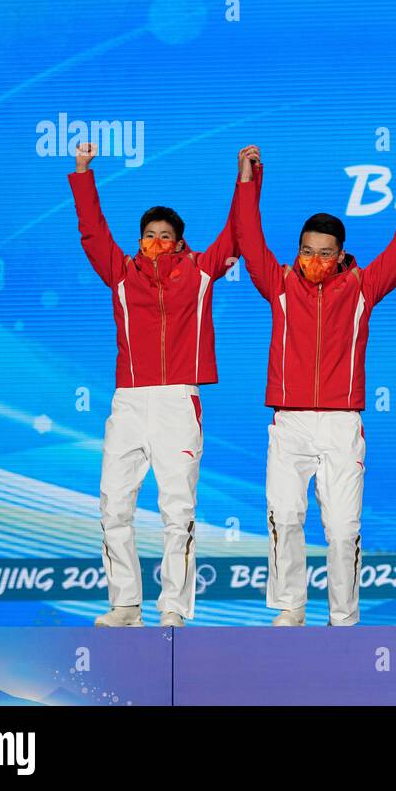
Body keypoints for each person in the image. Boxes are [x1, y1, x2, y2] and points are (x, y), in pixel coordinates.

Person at [232, 145, 396, 627]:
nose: (314, 261)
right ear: (298, 251)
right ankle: (291, 607)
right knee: (286, 517)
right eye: (307, 252)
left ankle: (343, 617)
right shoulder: (278, 284)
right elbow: (249, 239)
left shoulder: (361, 286)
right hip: (290, 422)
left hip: (341, 424)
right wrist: (250, 181)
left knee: (341, 530)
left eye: (325, 254)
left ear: (340, 256)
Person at [70, 141, 248, 628]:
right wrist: (83, 173)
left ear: (181, 240)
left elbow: (236, 238)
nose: (158, 242)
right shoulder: (122, 274)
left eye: (167, 235)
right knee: (113, 505)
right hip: (128, 402)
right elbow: (92, 233)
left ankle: (173, 607)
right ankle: (125, 604)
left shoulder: (200, 273)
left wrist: (247, 179)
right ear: (140, 239)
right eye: (150, 235)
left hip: (177, 401)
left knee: (177, 511)